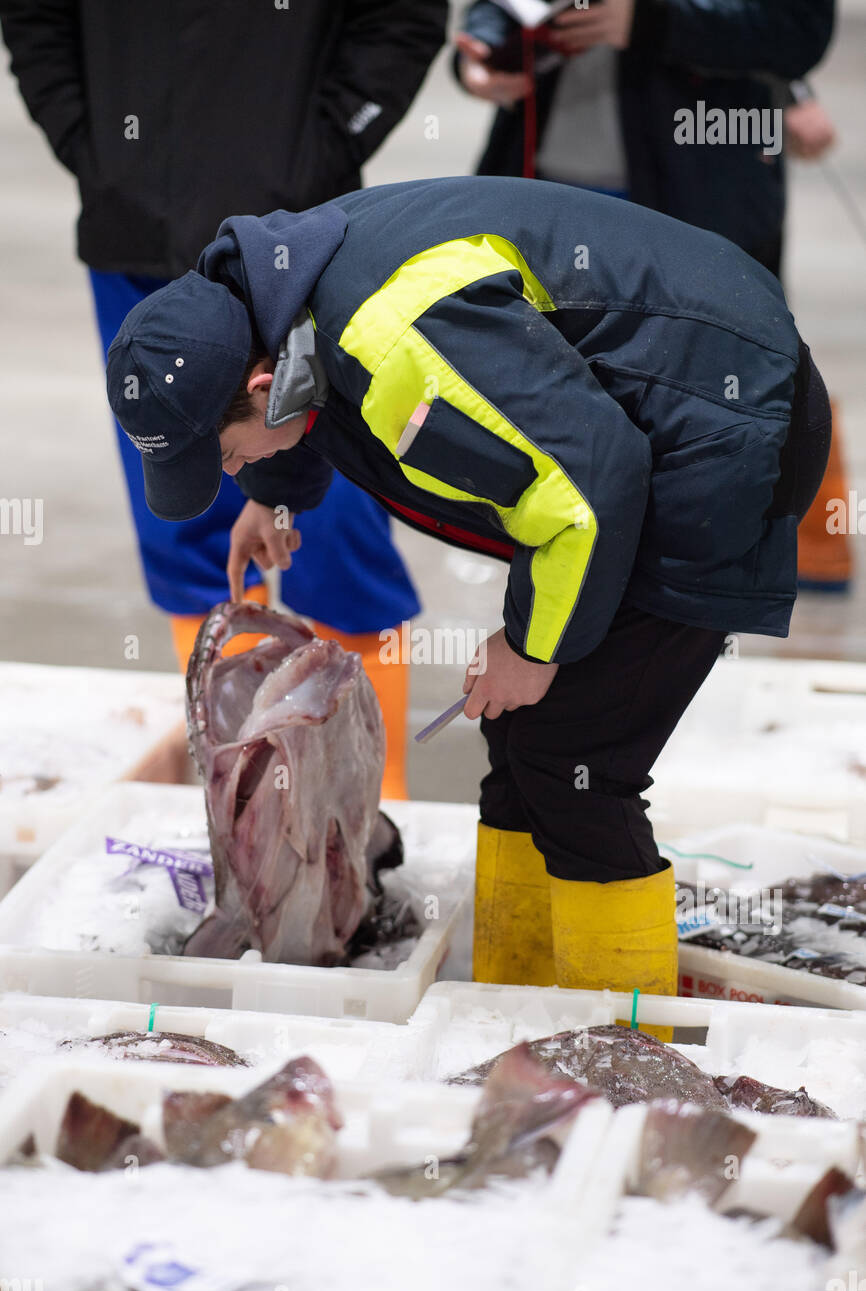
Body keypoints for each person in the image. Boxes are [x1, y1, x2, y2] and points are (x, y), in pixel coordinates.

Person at [106, 176, 831, 1031]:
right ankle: (512, 1015)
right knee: (520, 737)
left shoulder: (394, 343)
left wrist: (532, 645)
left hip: (721, 425)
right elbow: (307, 401)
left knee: (574, 759)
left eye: (226, 458)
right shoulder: (270, 299)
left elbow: (588, 486)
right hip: (645, 424)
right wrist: (273, 494)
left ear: (264, 386)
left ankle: (631, 1050)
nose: (226, 477)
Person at [0, 0, 448, 797]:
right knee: (183, 522)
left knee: (334, 534)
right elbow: (36, 16)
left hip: (297, 232)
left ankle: (377, 812)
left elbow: (404, 16)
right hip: (135, 235)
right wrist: (96, 146)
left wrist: (326, 139)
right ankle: (246, 801)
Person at [453, 0, 850, 590]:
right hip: (545, 181)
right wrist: (482, 55)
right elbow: (496, 9)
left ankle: (774, 560)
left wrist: (653, 22)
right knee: (550, 406)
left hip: (697, 189)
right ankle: (576, 577)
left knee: (729, 391)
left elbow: (797, 28)